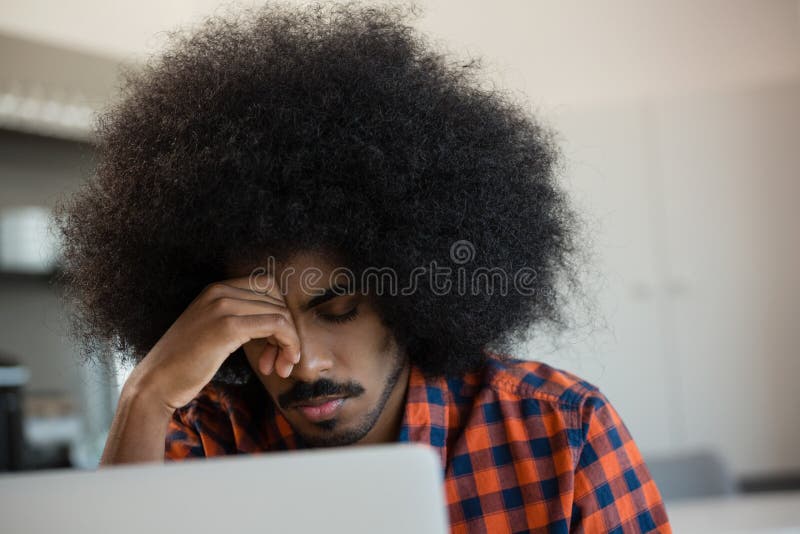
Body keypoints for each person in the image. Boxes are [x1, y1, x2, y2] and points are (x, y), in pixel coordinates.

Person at [53, 2, 671, 531]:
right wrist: (146, 394)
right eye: (254, 325)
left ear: (412, 300)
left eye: (338, 310)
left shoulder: (557, 429)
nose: (303, 361)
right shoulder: (209, 441)